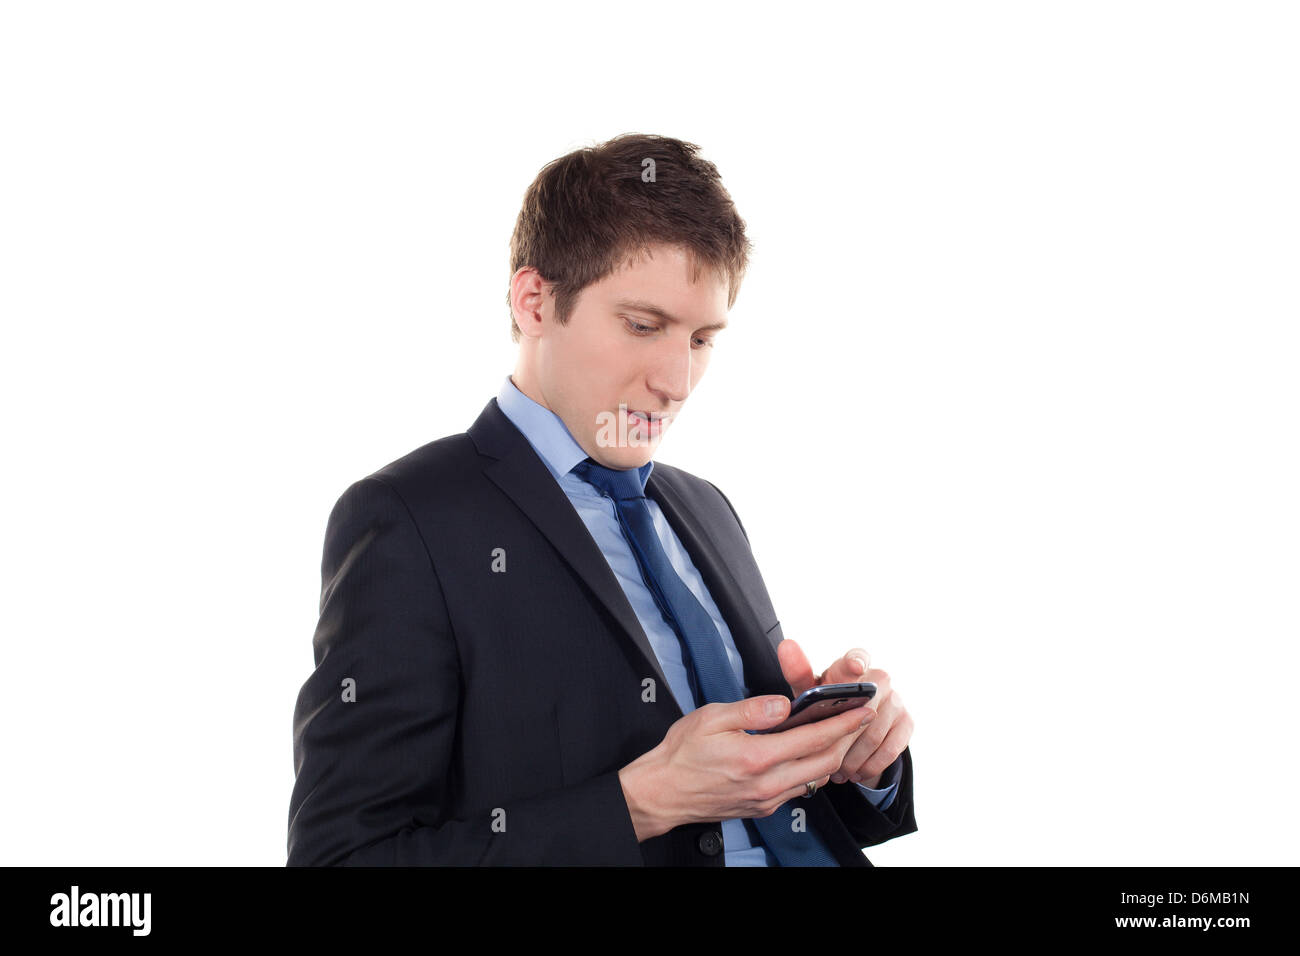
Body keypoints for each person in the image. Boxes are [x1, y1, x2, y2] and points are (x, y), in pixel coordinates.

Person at [287, 133, 917, 866]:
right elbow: (342, 856)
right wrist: (645, 803)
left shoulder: (706, 507)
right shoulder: (410, 520)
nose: (677, 383)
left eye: (702, 339)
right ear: (534, 302)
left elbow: (775, 805)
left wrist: (857, 758)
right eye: (643, 326)